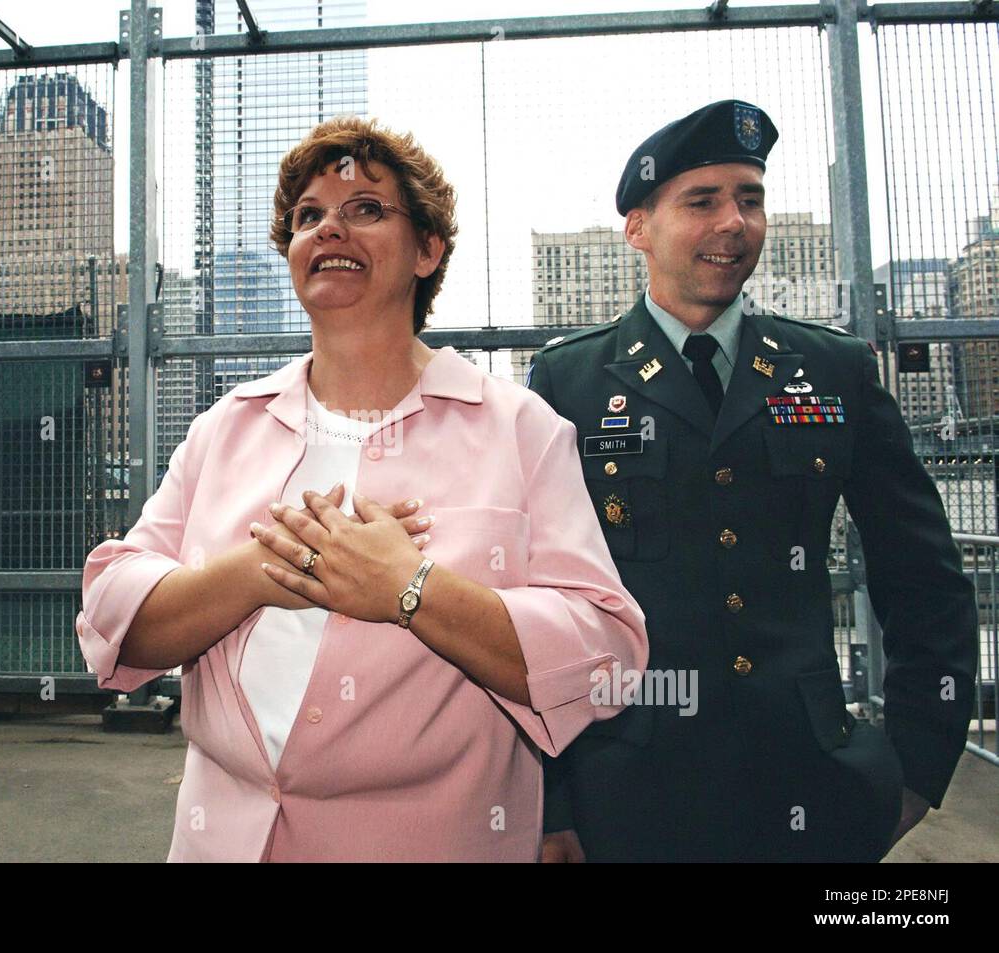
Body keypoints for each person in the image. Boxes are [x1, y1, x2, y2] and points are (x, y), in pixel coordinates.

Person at [75, 115, 647, 862]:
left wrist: (409, 588)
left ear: (427, 250)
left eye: (366, 210)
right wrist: (258, 574)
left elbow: (607, 656)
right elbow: (113, 618)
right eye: (309, 216)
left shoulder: (520, 427)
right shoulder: (226, 427)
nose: (329, 229)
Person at [528, 100, 977, 863]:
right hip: (628, 794)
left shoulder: (832, 369)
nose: (735, 222)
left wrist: (914, 767)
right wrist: (551, 804)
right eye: (702, 201)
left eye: (750, 198)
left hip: (808, 781)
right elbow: (532, 605)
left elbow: (923, 576)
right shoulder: (567, 380)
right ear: (637, 228)